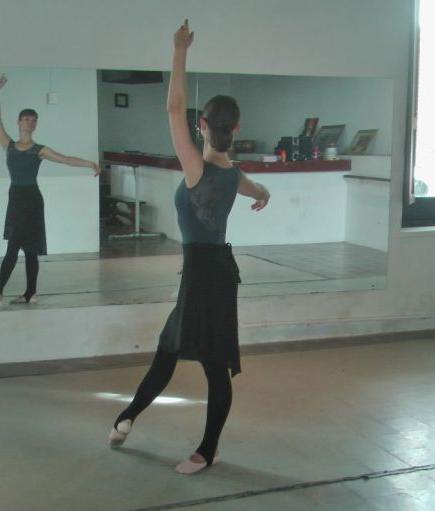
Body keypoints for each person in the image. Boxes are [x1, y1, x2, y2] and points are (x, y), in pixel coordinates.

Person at [107, 20, 271, 475]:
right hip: (211, 270)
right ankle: (125, 417)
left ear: (205, 125)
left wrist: (179, 50)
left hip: (208, 274)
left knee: (210, 365)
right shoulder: (234, 175)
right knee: (170, 349)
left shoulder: (197, 169)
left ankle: (207, 448)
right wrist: (263, 195)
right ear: (236, 128)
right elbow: (257, 189)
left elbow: (173, 107)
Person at [0, 74, 100, 311]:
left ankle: (18, 293)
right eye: (27, 119)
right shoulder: (8, 146)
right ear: (19, 122)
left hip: (32, 199)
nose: (30, 123)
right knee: (14, 246)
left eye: (34, 120)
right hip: (16, 199)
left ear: (35, 124)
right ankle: (10, 292)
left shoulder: (39, 150)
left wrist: (89, 163)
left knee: (28, 248)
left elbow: (65, 159)